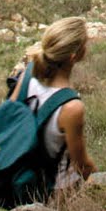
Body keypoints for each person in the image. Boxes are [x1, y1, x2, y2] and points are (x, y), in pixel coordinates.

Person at [12, 16, 95, 193]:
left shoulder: (27, 75)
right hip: (59, 189)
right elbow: (81, 165)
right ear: (74, 57)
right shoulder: (71, 107)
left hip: (23, 179)